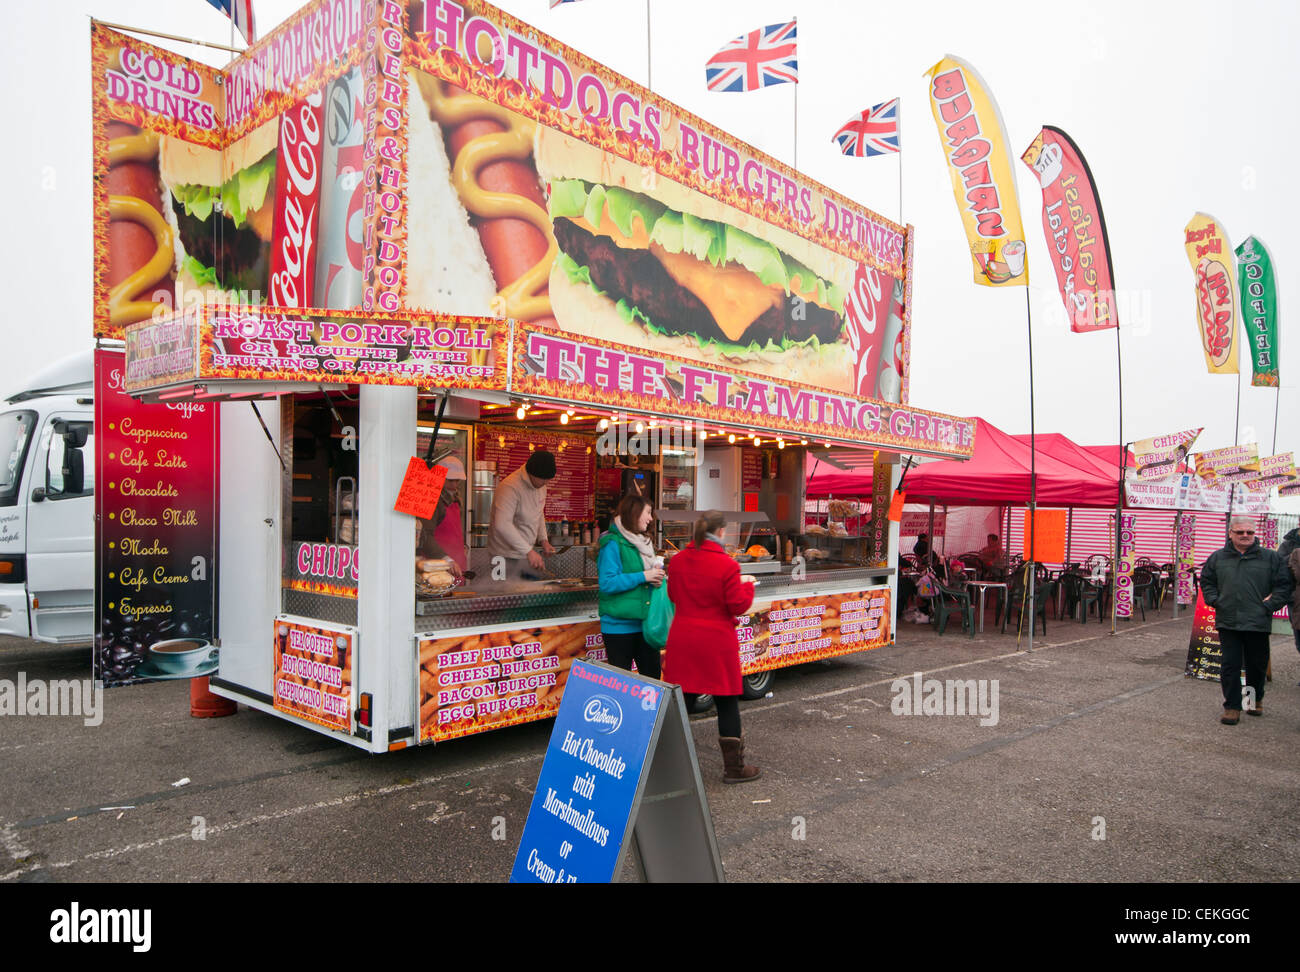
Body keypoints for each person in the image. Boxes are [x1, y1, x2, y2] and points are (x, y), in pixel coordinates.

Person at [662, 510, 760, 783]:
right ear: (720, 533)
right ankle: (734, 769)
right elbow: (737, 605)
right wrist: (749, 587)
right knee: (726, 702)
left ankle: (666, 766)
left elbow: (672, 594)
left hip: (683, 638)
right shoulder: (728, 566)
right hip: (716, 641)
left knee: (683, 700)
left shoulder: (677, 561)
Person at [1199, 516, 1292, 724]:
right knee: (1230, 665)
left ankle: (1253, 700)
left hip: (1257, 622)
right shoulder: (1218, 558)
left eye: (1249, 532)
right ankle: (1232, 706)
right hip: (1228, 620)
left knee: (1256, 666)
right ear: (1231, 533)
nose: (1245, 536)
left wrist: (1270, 605)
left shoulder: (1270, 558)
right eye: (1240, 532)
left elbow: (1284, 585)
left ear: (1254, 533)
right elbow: (1207, 581)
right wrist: (1215, 600)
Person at [597, 494, 666, 678]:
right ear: (635, 514)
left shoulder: (645, 542)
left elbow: (645, 581)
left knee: (652, 682)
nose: (651, 519)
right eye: (648, 513)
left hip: (646, 625)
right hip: (619, 627)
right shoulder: (612, 543)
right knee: (621, 685)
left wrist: (656, 578)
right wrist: (644, 576)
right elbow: (607, 583)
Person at [487, 450, 557, 579]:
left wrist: (544, 540)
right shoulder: (510, 487)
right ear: (532, 473)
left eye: (549, 479)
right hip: (503, 555)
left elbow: (539, 511)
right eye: (543, 479)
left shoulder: (541, 486)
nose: (546, 483)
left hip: (525, 554)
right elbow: (502, 524)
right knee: (501, 595)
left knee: (526, 594)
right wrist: (528, 551)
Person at [418, 455, 468, 574]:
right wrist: (444, 558)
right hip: (437, 566)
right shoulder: (430, 500)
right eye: (450, 480)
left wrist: (463, 546)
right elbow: (424, 536)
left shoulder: (455, 498)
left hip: (456, 563)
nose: (455, 485)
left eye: (457, 480)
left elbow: (455, 531)